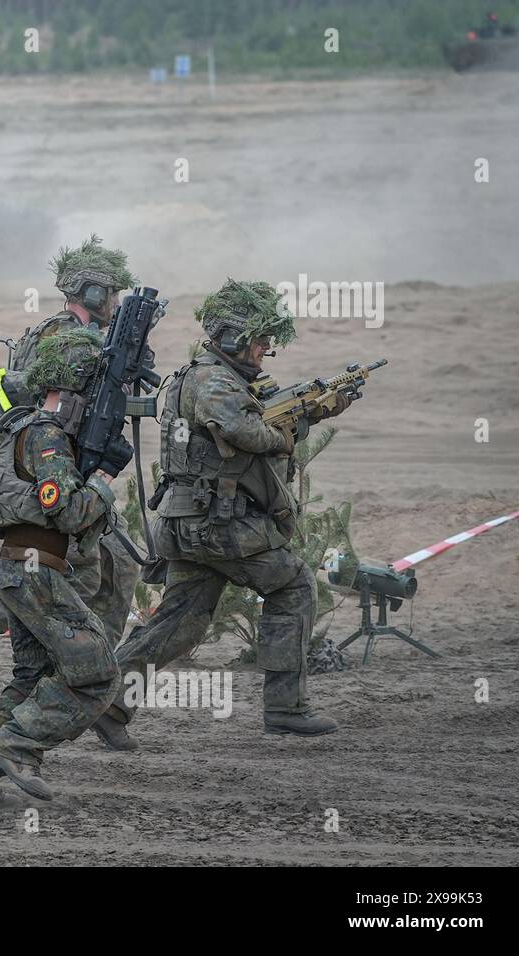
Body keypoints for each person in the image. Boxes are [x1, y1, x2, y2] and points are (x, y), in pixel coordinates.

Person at [93, 279, 351, 751]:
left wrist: (310, 410)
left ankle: (110, 704)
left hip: (196, 524)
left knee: (179, 622)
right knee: (292, 585)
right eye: (257, 341)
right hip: (220, 526)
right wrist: (290, 435)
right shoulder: (213, 380)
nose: (263, 350)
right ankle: (286, 709)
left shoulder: (208, 375)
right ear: (232, 338)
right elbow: (243, 431)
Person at [0, 328, 120, 805]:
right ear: (65, 387)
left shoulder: (28, 429)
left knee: (31, 680)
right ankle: (17, 748)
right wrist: (102, 482)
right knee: (97, 673)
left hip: (23, 570)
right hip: (34, 569)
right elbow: (71, 512)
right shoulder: (45, 433)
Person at [0, 236, 139, 680]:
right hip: (57, 468)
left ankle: (84, 679)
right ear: (92, 293)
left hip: (60, 467)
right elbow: (60, 407)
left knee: (113, 564)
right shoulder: (68, 338)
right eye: (110, 293)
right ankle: (79, 677)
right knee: (81, 569)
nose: (114, 301)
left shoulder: (62, 333)